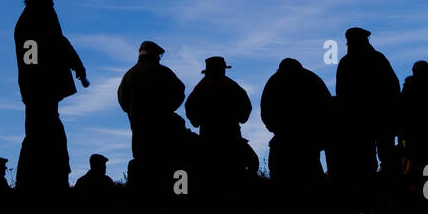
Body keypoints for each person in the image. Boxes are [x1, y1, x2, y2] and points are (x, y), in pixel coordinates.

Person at [13, 0, 87, 194]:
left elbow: (60, 42)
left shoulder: (44, 18)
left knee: (49, 135)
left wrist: (77, 66)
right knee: (39, 137)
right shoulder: (29, 21)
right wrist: (40, 85)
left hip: (44, 90)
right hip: (38, 91)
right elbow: (30, 59)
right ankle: (34, 186)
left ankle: (51, 183)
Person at [333, 27, 402, 179]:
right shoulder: (378, 58)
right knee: (386, 154)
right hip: (381, 115)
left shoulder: (346, 63)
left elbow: (341, 93)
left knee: (365, 158)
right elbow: (394, 86)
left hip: (360, 119)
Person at [117, 41, 187, 190]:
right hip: (164, 133)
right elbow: (180, 92)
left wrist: (134, 111)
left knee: (143, 173)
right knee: (174, 169)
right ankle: (178, 201)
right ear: (155, 55)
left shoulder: (129, 75)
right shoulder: (164, 72)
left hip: (139, 133)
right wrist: (167, 109)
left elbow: (122, 101)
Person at [185, 57, 258, 190]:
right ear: (223, 69)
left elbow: (190, 109)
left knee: (208, 176)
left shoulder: (200, 88)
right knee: (235, 175)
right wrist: (240, 118)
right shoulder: (233, 86)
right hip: (231, 135)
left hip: (207, 136)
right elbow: (246, 108)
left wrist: (197, 121)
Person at [259, 58, 331, 186]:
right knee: (312, 180)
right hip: (308, 141)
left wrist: (276, 129)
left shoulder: (274, 81)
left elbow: (266, 111)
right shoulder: (312, 79)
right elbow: (327, 108)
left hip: (284, 140)